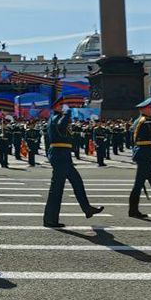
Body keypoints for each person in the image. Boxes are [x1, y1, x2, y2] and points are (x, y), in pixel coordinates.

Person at [42, 97, 104, 228]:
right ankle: (50, 219)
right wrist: (67, 113)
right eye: (62, 106)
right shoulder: (56, 118)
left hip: (62, 155)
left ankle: (87, 208)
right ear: (57, 107)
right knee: (57, 189)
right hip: (60, 156)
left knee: (77, 182)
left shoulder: (56, 118)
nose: (64, 108)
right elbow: (61, 125)